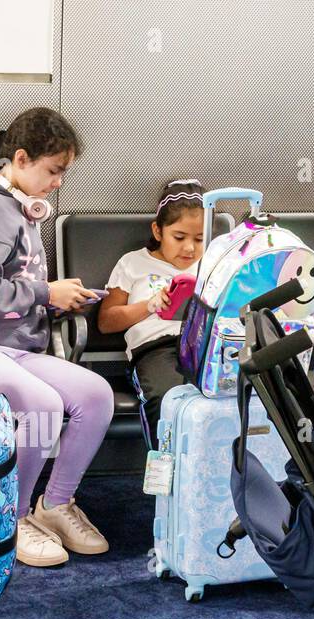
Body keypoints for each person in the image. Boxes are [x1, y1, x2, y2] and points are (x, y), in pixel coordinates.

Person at [0, 107, 114, 568]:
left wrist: (58, 299)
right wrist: (43, 291)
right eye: (54, 171)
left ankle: (54, 504)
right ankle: (10, 518)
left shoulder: (21, 211)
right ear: (20, 159)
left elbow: (15, 290)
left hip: (16, 347)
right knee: (42, 405)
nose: (58, 183)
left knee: (96, 395)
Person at [98, 179, 204, 447]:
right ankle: (167, 477)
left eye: (200, 239)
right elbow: (106, 322)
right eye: (179, 237)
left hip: (205, 346)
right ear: (158, 231)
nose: (190, 248)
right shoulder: (133, 263)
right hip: (156, 349)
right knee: (167, 397)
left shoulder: (213, 263)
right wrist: (149, 305)